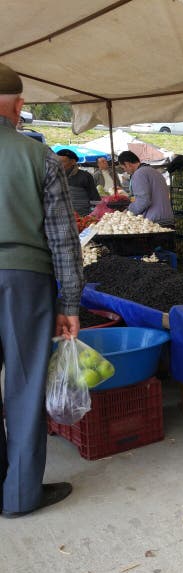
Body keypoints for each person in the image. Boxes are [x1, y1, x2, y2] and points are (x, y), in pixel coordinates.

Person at [0, 62, 84, 517]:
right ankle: (19, 496)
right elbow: (62, 240)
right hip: (23, 281)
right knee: (26, 385)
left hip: (21, 278)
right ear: (17, 107)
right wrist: (69, 302)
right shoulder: (40, 158)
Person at [117, 150, 174, 227]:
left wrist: (128, 211)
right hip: (168, 218)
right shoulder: (154, 171)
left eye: (124, 168)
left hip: (154, 221)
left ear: (127, 164)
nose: (125, 171)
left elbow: (143, 200)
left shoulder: (139, 174)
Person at [56, 148, 100, 216]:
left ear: (73, 162)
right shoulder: (53, 178)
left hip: (82, 218)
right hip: (60, 217)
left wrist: (92, 215)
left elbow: (95, 198)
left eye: (63, 162)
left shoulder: (85, 176)